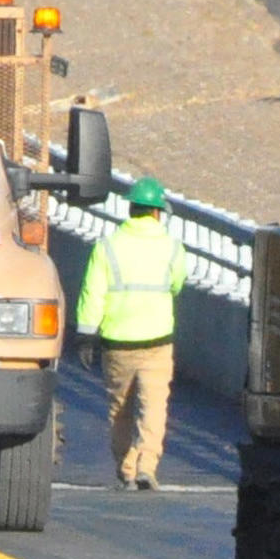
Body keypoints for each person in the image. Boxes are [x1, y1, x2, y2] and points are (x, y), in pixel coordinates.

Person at [75, 179, 187, 490]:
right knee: (153, 407)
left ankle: (125, 470)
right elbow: (177, 284)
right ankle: (146, 466)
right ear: (157, 213)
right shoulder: (173, 247)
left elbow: (92, 294)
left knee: (120, 410)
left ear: (131, 208)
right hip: (158, 341)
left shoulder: (107, 247)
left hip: (117, 343)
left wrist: (86, 335)